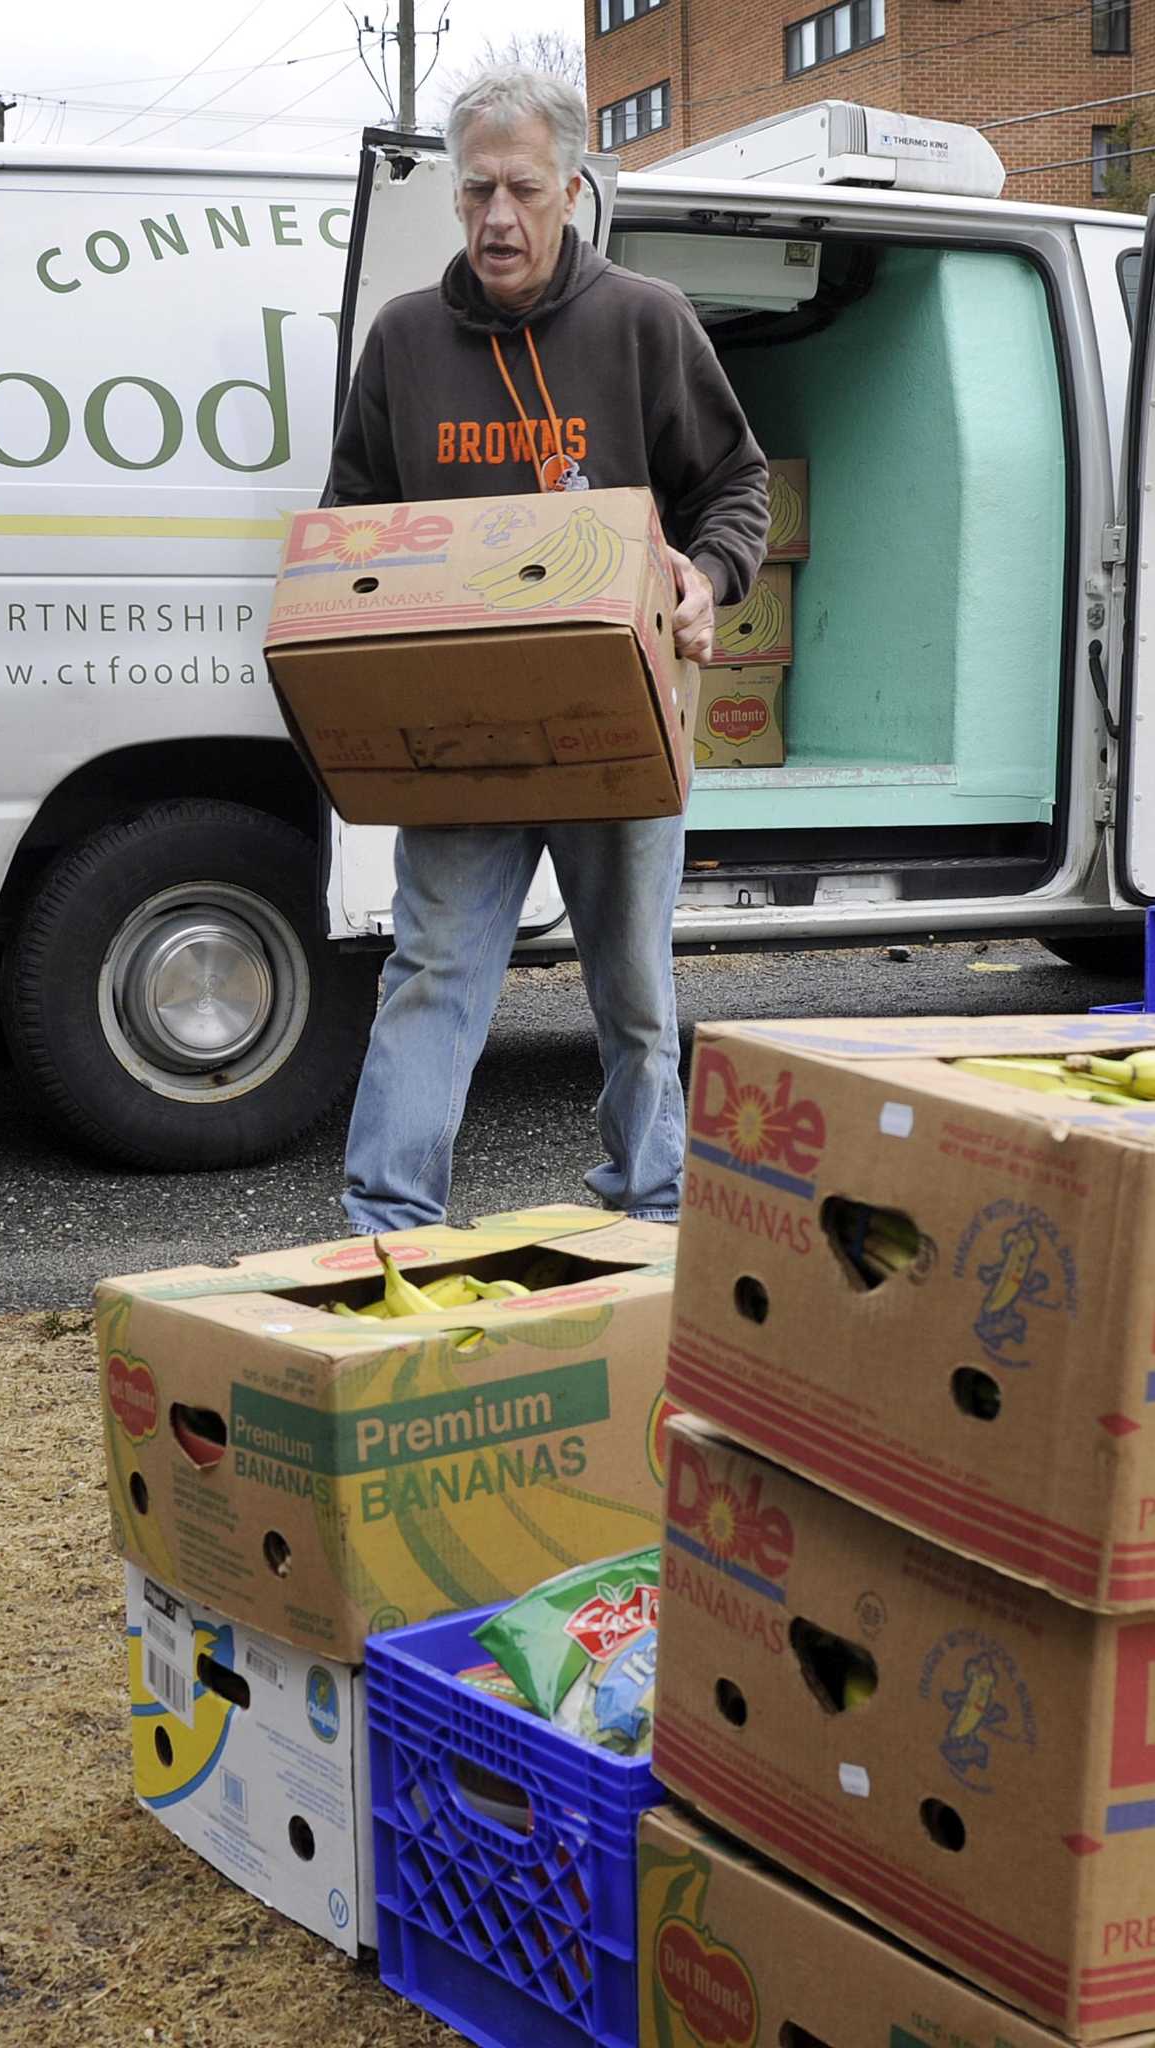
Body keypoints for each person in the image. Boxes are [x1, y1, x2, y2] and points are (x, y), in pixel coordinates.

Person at [325, 67, 769, 1232]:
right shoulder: (406, 338)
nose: (498, 219)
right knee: (430, 977)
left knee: (630, 987)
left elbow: (734, 483)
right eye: (475, 192)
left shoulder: (641, 319)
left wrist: (701, 576)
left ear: (570, 189)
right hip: (459, 734)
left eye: (523, 189)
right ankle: (388, 1229)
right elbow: (354, 519)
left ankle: (648, 1209)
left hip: (614, 719)